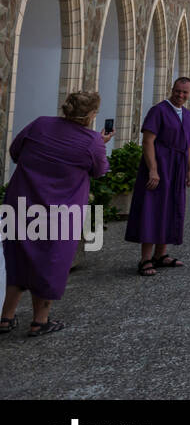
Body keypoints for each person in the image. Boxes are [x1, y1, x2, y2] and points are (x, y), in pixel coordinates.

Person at [1, 91, 113, 337]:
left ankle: (6, 318)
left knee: (17, 256)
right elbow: (99, 170)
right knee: (50, 259)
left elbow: (15, 151)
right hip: (60, 209)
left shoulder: (40, 124)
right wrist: (99, 144)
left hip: (21, 200)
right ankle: (40, 321)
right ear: (91, 114)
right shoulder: (92, 140)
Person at [126, 78, 190, 276]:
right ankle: (145, 259)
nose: (180, 95)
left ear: (189, 94)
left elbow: (188, 144)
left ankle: (161, 254)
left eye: (185, 93)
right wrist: (153, 170)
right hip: (161, 164)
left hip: (178, 168)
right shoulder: (158, 111)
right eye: (177, 91)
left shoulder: (187, 115)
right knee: (153, 209)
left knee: (172, 207)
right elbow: (148, 141)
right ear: (171, 89)